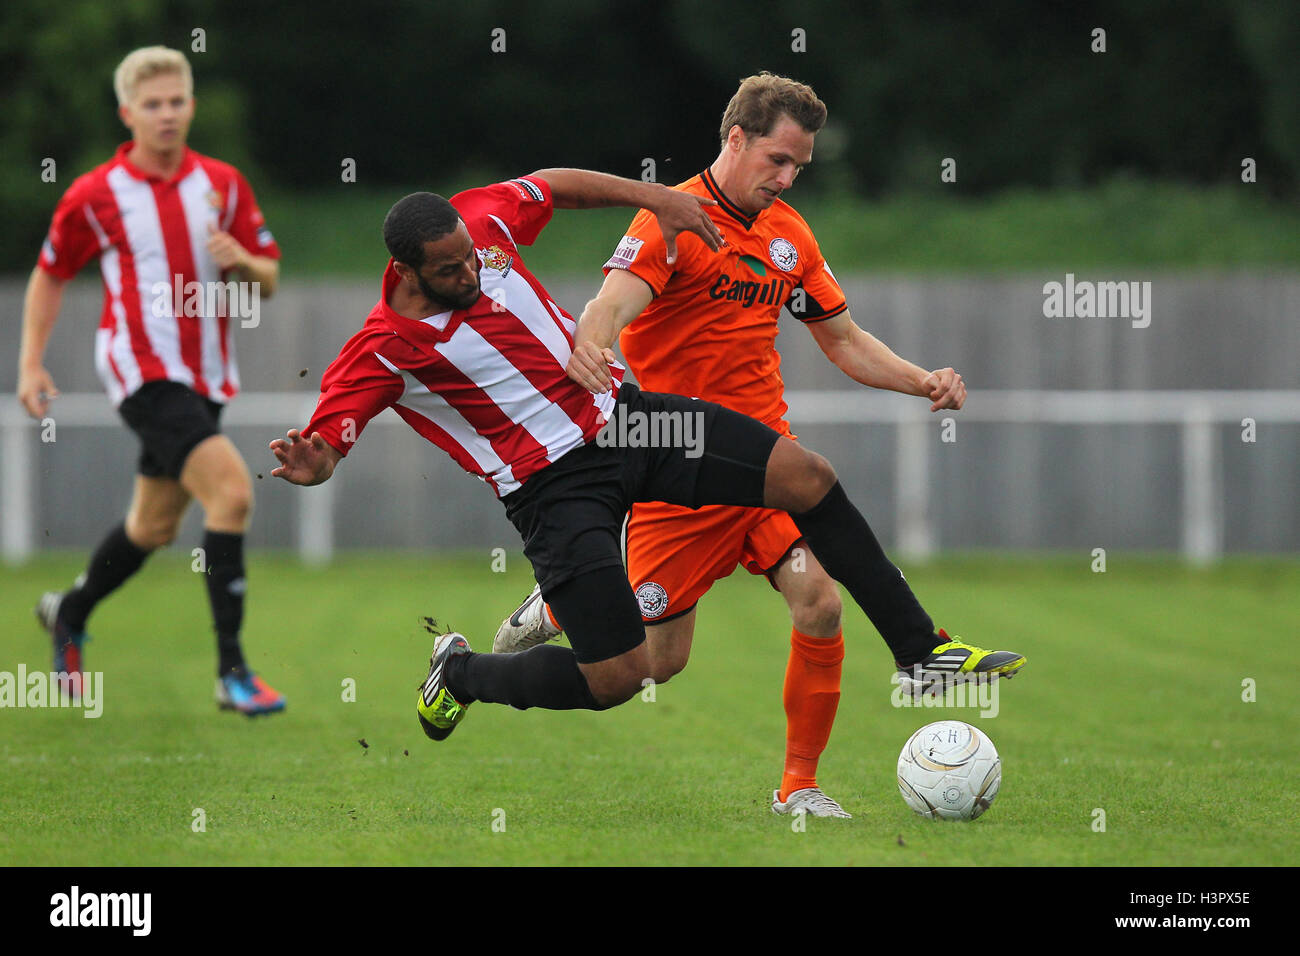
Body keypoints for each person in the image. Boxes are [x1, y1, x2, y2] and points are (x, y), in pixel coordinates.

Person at [270, 168, 1024, 784]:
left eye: (470, 255)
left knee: (807, 475)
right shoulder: (382, 347)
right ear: (405, 272)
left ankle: (921, 653)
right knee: (622, 677)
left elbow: (556, 185)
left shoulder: (484, 220)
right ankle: (462, 673)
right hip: (552, 492)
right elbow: (332, 440)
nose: (470, 270)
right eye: (448, 270)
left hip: (631, 423)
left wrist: (656, 196)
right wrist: (316, 464)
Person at [491, 73, 1024, 817]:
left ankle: (798, 788)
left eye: (799, 167)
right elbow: (609, 303)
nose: (786, 178)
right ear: (734, 140)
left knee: (820, 603)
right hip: (681, 466)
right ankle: (541, 617)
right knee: (654, 665)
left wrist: (921, 380)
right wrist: (592, 347)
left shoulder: (790, 237)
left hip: (770, 468)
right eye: (776, 160)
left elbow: (842, 338)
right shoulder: (668, 221)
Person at [18, 46, 285, 716]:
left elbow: (270, 279)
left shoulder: (221, 183)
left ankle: (69, 612)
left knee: (154, 526)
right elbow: (51, 271)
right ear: (127, 113)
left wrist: (243, 260)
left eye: (175, 102)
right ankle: (233, 675)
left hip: (207, 377)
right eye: (152, 105)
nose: (165, 115)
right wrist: (29, 360)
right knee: (231, 494)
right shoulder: (95, 193)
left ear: (190, 106)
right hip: (141, 371)